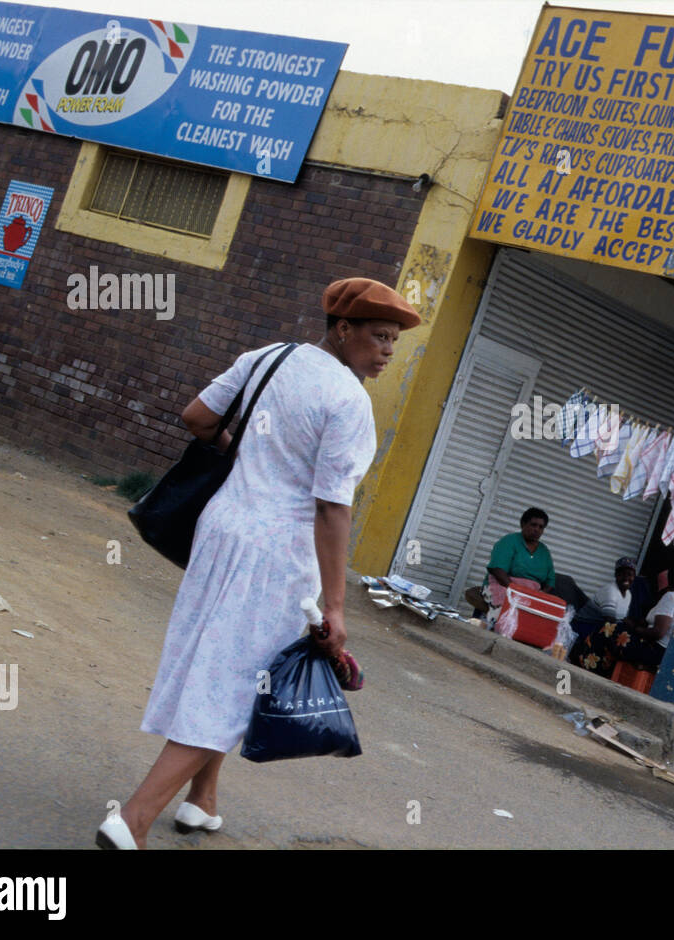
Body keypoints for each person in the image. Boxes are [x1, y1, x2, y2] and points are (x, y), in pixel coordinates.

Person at [96, 277, 420, 850]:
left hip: (220, 531)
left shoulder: (265, 358)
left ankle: (202, 800)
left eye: (393, 340)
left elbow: (197, 417)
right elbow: (330, 507)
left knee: (216, 663)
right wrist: (336, 607)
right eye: (379, 336)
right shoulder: (348, 403)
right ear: (343, 330)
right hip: (276, 555)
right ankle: (133, 820)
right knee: (236, 681)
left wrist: (249, 457)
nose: (388, 350)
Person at [573, 570, 674, 676]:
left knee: (607, 629)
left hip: (653, 652)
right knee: (615, 636)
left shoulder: (672, 597)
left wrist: (634, 628)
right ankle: (600, 670)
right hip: (665, 655)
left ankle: (586, 666)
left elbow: (658, 633)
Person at [465, 508, 556, 617]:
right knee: (506, 611)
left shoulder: (544, 551)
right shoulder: (509, 541)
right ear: (523, 524)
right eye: (533, 525)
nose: (537, 529)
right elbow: (497, 570)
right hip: (503, 587)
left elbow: (550, 580)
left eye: (541, 527)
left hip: (530, 595)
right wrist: (516, 592)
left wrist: (540, 595)